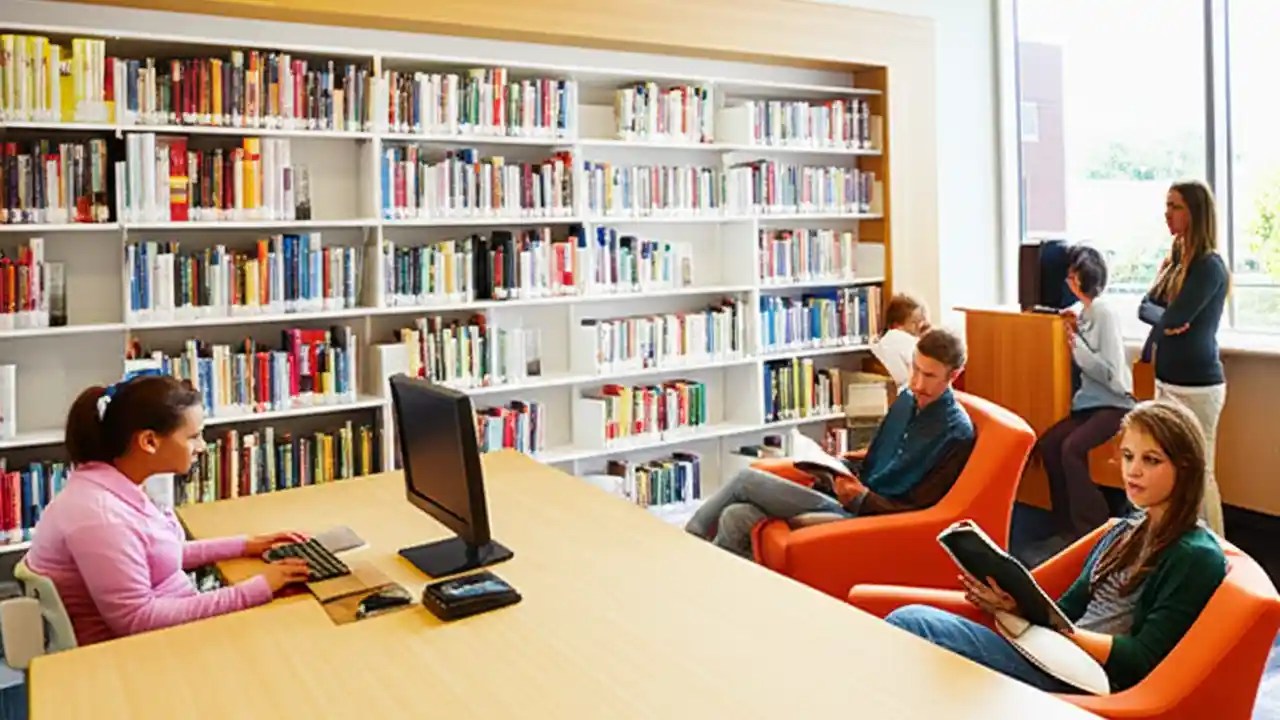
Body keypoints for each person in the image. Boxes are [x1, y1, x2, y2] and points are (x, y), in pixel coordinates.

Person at [886, 399, 1226, 695]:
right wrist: (1014, 607)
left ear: (1184, 468)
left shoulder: (1195, 555)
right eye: (1127, 456)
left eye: (1151, 460)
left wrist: (1063, 634)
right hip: (1055, 653)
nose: (1132, 471)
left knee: (914, 624)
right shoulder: (1125, 531)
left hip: (1087, 677)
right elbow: (1066, 608)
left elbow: (1140, 659)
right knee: (910, 624)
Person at [24, 370, 312, 647]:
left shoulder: (117, 485)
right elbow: (137, 620)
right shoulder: (100, 516)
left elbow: (158, 554)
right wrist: (258, 587)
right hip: (132, 654)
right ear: (149, 441)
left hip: (167, 629)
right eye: (192, 436)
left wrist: (245, 545)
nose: (201, 446)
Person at [685, 327, 976, 558]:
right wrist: (836, 467)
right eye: (914, 369)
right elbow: (877, 457)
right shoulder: (906, 401)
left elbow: (922, 510)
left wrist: (862, 498)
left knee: (746, 480)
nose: (916, 383)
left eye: (928, 376)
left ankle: (687, 541)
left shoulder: (956, 433)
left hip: (869, 518)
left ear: (954, 376)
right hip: (847, 497)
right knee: (737, 515)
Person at [1138, 180, 1228, 536]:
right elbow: (1146, 308)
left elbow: (1174, 317)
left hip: (1198, 386)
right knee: (1172, 471)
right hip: (1167, 381)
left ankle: (1221, 553)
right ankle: (1181, 545)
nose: (1167, 214)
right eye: (1167, 205)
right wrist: (1167, 318)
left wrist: (1168, 317)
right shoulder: (1175, 260)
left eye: (1175, 206)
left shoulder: (1209, 266)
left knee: (1199, 472)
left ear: (1195, 212)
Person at [1039, 245, 1134, 542]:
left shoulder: (1103, 313)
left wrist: (1076, 346)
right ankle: (1064, 522)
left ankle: (1094, 527)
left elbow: (1109, 372)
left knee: (1071, 448)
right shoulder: (1087, 313)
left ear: (1075, 280)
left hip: (1114, 404)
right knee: (1050, 443)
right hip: (1091, 405)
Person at [871, 293, 930, 389]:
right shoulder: (899, 338)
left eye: (923, 322)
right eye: (914, 323)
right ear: (896, 325)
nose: (920, 327)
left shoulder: (883, 341)